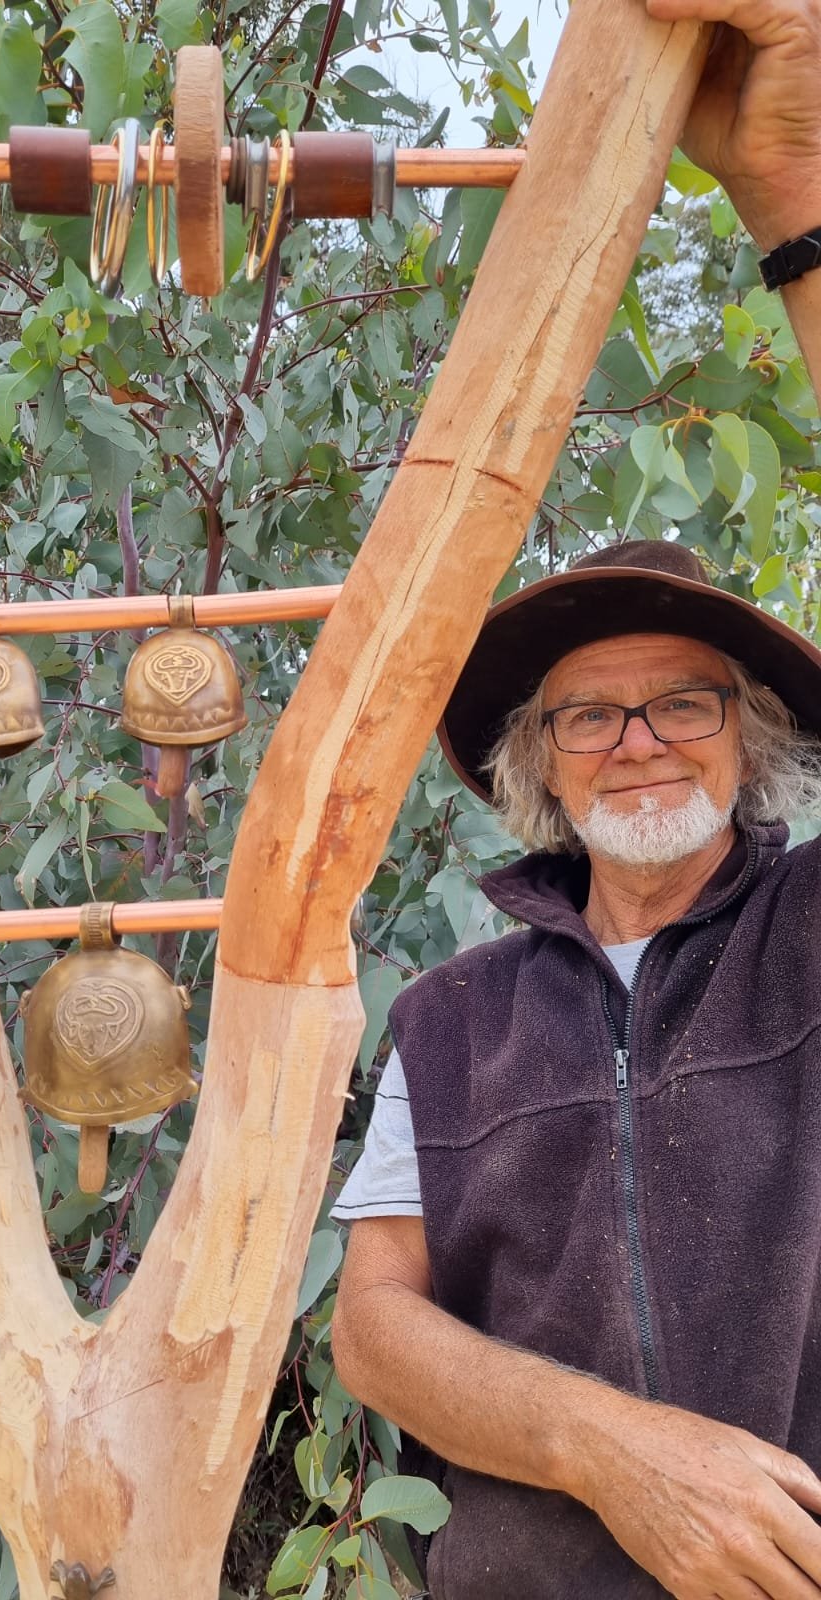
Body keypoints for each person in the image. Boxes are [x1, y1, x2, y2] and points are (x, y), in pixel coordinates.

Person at [330, 3, 821, 1597]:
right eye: (591, 713)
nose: (642, 741)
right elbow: (378, 1330)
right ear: (541, 765)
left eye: (687, 700)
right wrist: (616, 1453)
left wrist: (798, 207)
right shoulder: (449, 1019)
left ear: (749, 740)